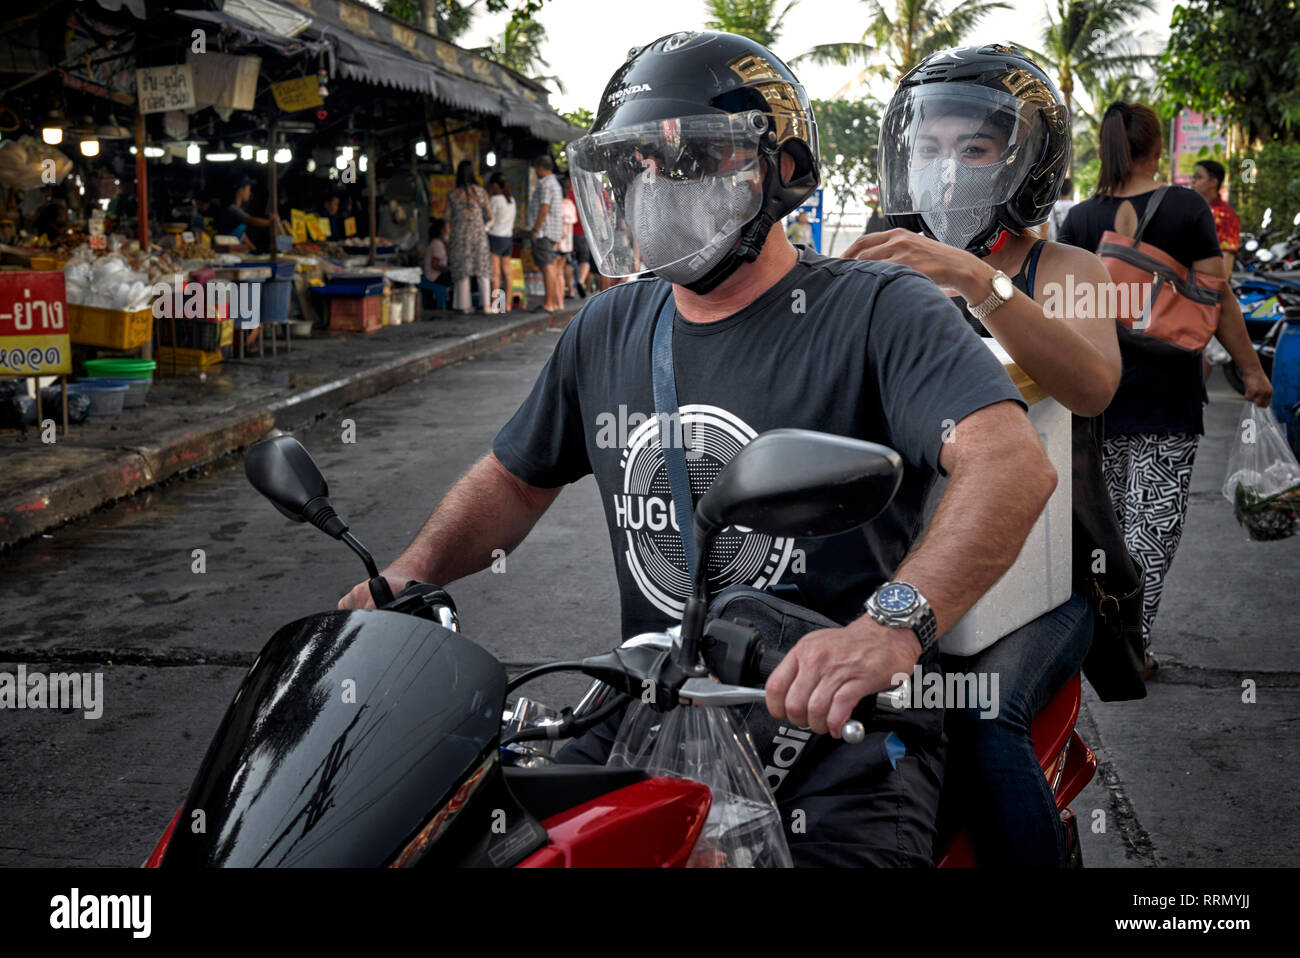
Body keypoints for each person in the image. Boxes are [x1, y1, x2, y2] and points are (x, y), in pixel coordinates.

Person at [337, 30, 1058, 868]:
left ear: (782, 172)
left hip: (840, 729)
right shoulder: (609, 324)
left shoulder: (879, 310)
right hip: (649, 699)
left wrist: (886, 629)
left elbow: (1010, 462)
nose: (657, 187)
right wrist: (408, 576)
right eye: (638, 165)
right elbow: (513, 478)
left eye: (689, 162)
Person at [845, 44, 1121, 868]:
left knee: (983, 717)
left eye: (976, 149)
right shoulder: (882, 265)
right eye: (930, 148)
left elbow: (1094, 386)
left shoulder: (1072, 267)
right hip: (901, 562)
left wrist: (979, 281)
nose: (949, 170)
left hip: (1048, 578)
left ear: (1027, 160)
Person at [1057, 101, 1273, 678]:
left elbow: (1066, 311)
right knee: (1151, 524)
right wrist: (1251, 370)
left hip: (1094, 394)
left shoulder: (1079, 219)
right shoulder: (1186, 207)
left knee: (1102, 525)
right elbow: (1219, 296)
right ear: (1157, 147)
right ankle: (1133, 644)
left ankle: (1098, 636)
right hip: (1167, 393)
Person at [447, 160, 495, 314]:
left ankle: (464, 305)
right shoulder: (481, 192)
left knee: (462, 270)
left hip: (459, 236)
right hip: (478, 236)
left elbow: (447, 217)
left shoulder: (453, 194)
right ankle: (487, 305)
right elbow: (489, 215)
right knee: (482, 269)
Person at [526, 154, 565, 312]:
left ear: (541, 168)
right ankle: (553, 302)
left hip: (544, 231)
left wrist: (535, 228)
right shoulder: (554, 183)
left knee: (547, 266)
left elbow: (544, 207)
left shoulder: (546, 184)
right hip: (552, 230)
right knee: (550, 266)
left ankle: (549, 303)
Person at [486, 172, 517, 310]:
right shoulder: (512, 200)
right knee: (508, 274)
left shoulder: (495, 200)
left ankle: (495, 305)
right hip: (508, 239)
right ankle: (507, 304)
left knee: (496, 274)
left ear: (494, 185)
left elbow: (490, 219)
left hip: (495, 238)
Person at [216, 178, 270, 250]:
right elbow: (250, 220)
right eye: (248, 189)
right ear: (241, 190)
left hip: (236, 249)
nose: (250, 193)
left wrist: (254, 249)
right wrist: (271, 223)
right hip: (227, 251)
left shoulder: (239, 209)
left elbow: (242, 235)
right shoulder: (233, 209)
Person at [565, 174, 592, 298]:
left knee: (569, 262)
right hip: (582, 232)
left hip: (569, 233)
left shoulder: (566, 196)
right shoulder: (582, 195)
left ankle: (570, 290)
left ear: (568, 181)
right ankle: (580, 281)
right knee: (584, 260)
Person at [420, 217, 452, 308]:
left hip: (436, 275)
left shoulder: (439, 243)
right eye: (448, 228)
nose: (449, 231)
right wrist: (447, 268)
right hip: (434, 276)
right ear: (442, 230)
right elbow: (434, 265)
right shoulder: (437, 244)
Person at [1047, 177, 1075, 242]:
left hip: (1054, 244)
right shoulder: (1075, 207)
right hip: (1070, 246)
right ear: (1070, 190)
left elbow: (1047, 226)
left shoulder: (1051, 206)